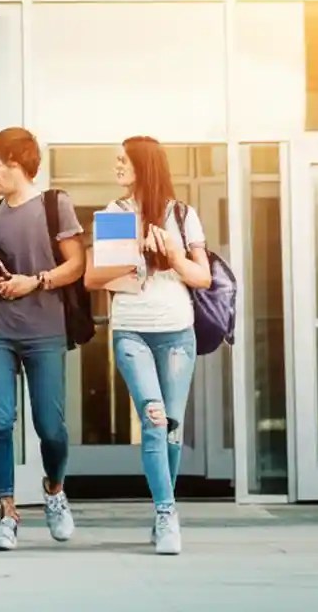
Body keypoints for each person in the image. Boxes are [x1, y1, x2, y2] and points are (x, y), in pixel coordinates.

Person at [84, 136, 211, 555]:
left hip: (177, 333)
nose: (117, 166)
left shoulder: (182, 214)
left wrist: (173, 256)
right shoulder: (116, 214)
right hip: (132, 331)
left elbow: (203, 278)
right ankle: (165, 513)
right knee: (155, 421)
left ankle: (165, 511)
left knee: (172, 428)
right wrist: (134, 255)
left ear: (144, 165)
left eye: (124, 160)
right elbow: (94, 280)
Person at [0, 127, 86, 551]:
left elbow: (76, 264)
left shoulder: (55, 205)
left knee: (50, 428)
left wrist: (33, 281)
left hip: (45, 332)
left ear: (18, 164)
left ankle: (54, 489)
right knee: (0, 422)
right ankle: (7, 513)